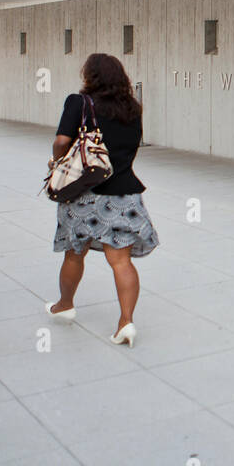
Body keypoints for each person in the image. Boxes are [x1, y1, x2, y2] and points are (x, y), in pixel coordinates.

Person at [44, 53, 157, 347]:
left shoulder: (79, 103)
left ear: (89, 76)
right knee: (120, 261)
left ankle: (65, 305)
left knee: (74, 253)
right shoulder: (133, 108)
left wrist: (57, 162)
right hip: (124, 192)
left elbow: (61, 141)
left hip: (84, 193)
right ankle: (126, 322)